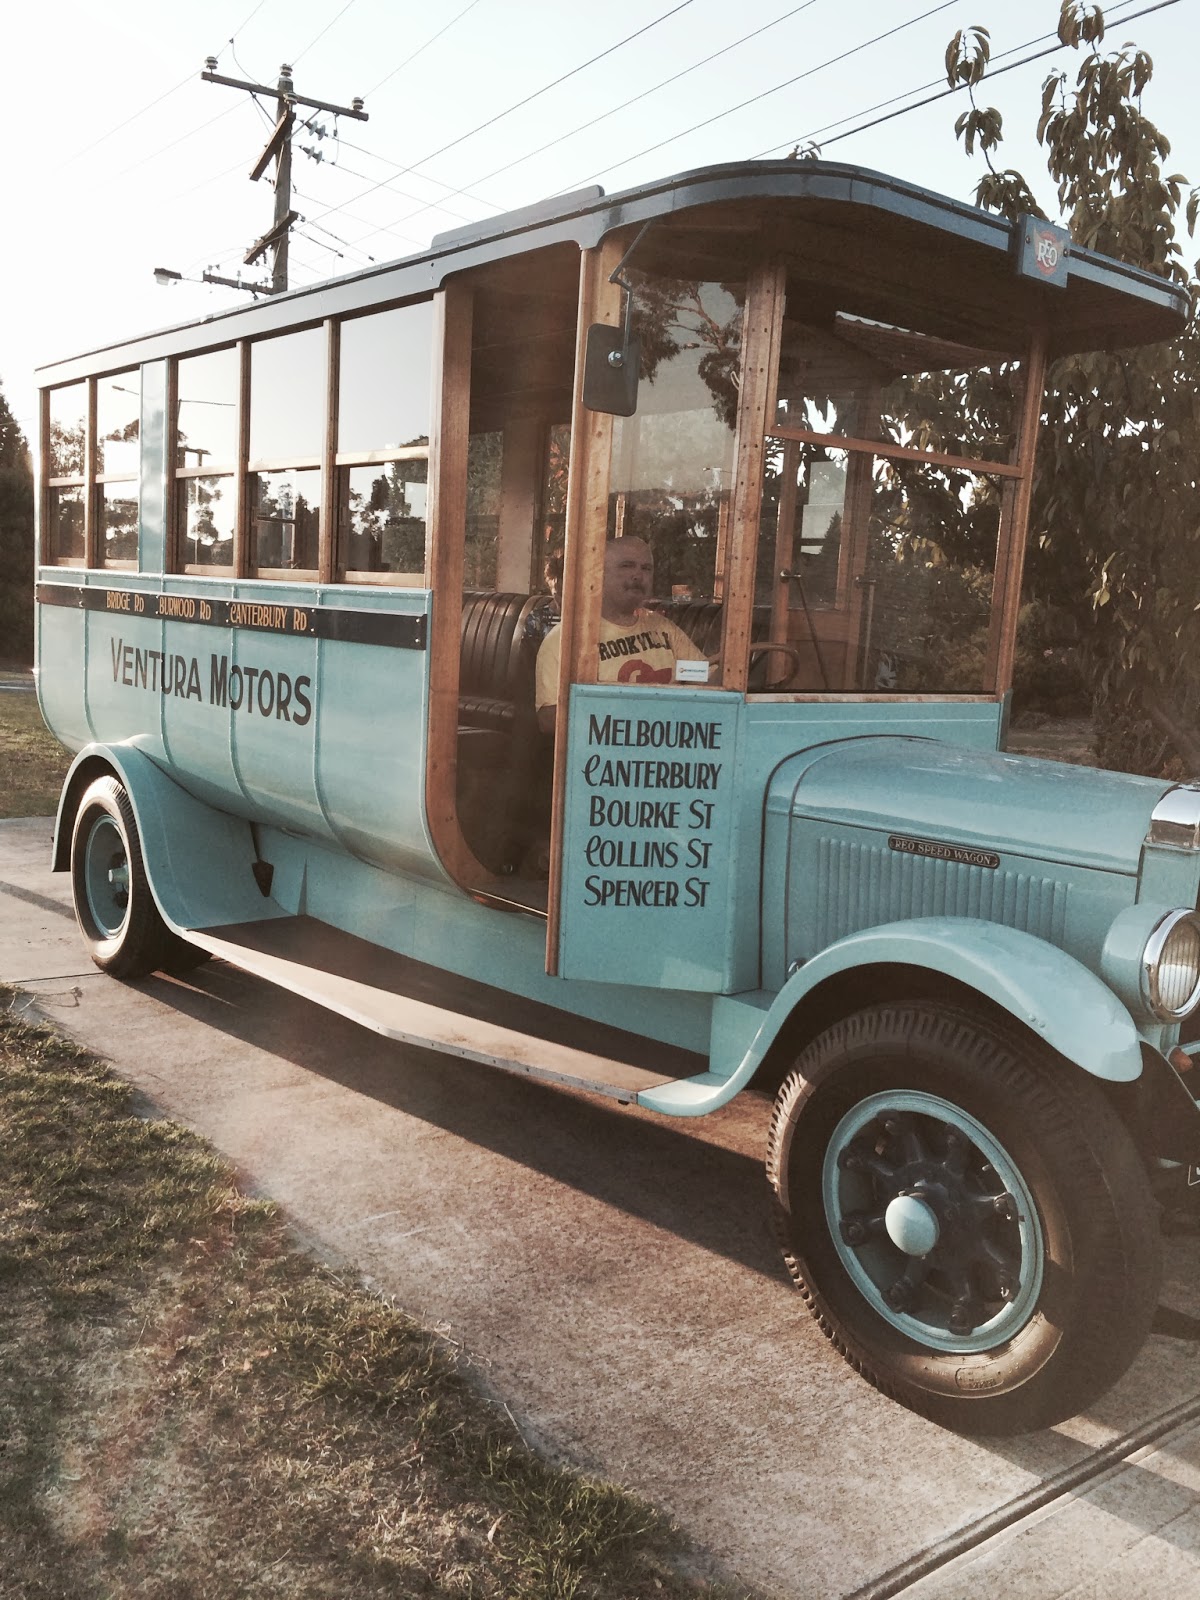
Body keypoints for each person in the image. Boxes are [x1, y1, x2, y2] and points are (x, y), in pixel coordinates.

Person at [535, 537, 707, 735]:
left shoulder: (664, 629)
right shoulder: (565, 639)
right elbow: (548, 719)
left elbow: (699, 676)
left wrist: (729, 663)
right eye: (627, 566)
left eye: (646, 568)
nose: (638, 575)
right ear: (599, 574)